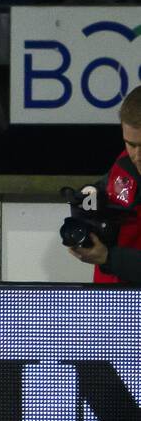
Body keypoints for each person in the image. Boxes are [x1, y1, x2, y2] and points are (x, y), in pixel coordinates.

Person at [68, 88, 141, 283]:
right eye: (131, 144)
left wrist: (109, 258)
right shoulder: (124, 167)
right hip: (110, 305)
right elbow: (99, 196)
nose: (137, 156)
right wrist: (85, 205)